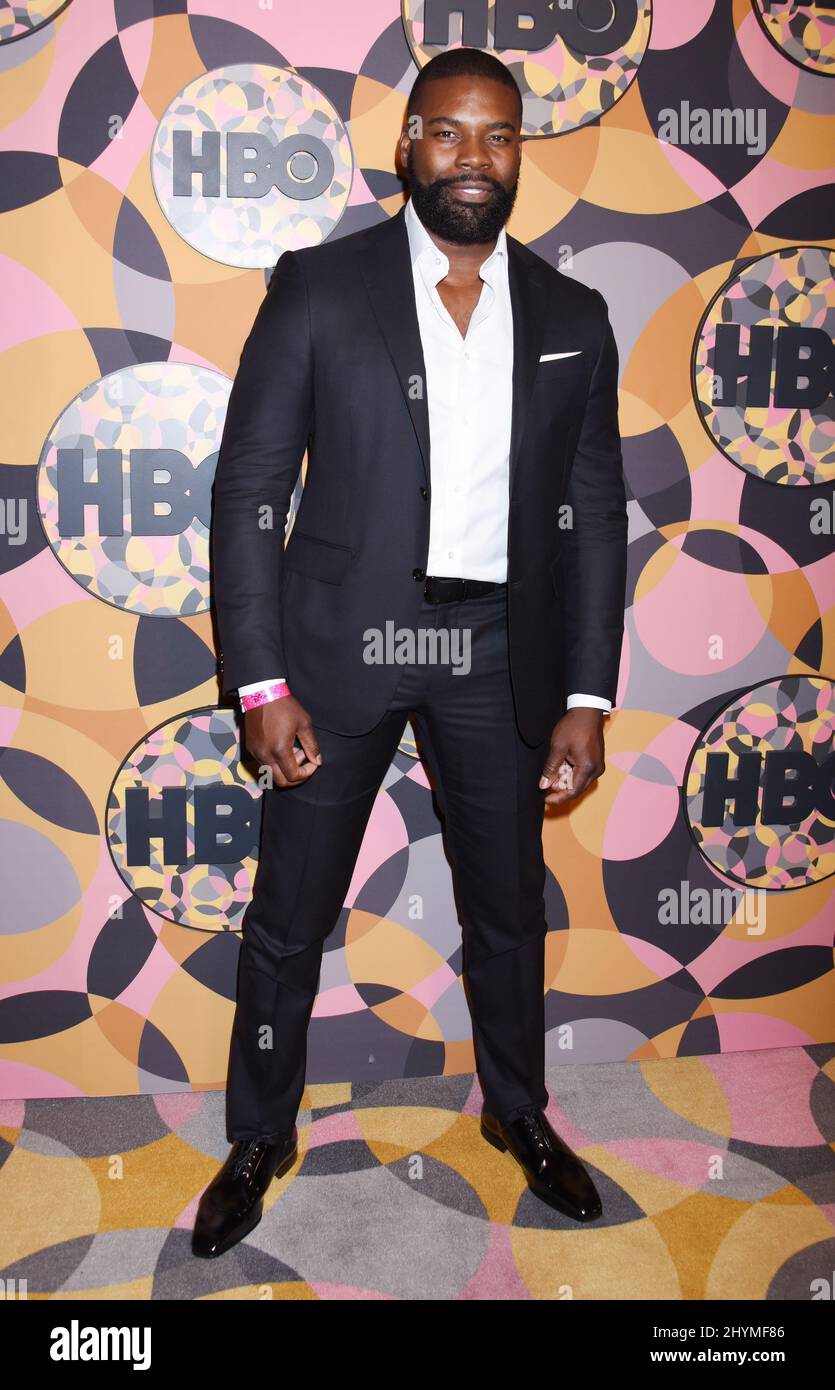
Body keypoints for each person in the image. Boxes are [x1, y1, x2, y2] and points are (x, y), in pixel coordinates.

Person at [194, 46, 628, 1259]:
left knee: (507, 912)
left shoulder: (573, 316)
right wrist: (263, 677)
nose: (473, 160)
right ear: (407, 146)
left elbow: (595, 512)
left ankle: (519, 1114)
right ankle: (259, 1135)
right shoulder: (321, 288)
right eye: (448, 133)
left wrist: (586, 692)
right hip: (337, 648)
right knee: (289, 914)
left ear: (521, 152)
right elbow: (249, 492)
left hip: (499, 654)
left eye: (498, 137)